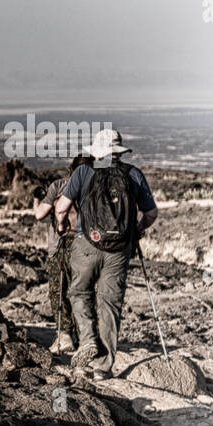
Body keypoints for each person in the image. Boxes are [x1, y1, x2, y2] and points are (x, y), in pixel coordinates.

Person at [52, 129, 158, 380]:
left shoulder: (83, 172)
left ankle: (88, 339)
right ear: (119, 151)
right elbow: (151, 214)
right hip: (119, 250)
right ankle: (103, 366)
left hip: (86, 245)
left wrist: (61, 225)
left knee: (79, 292)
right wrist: (136, 231)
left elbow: (61, 208)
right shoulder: (133, 174)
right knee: (110, 303)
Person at [31, 154, 91, 353]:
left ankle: (64, 336)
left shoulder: (59, 186)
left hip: (60, 245)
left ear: (70, 170)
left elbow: (39, 215)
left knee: (59, 290)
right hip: (87, 247)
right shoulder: (95, 189)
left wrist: (36, 198)